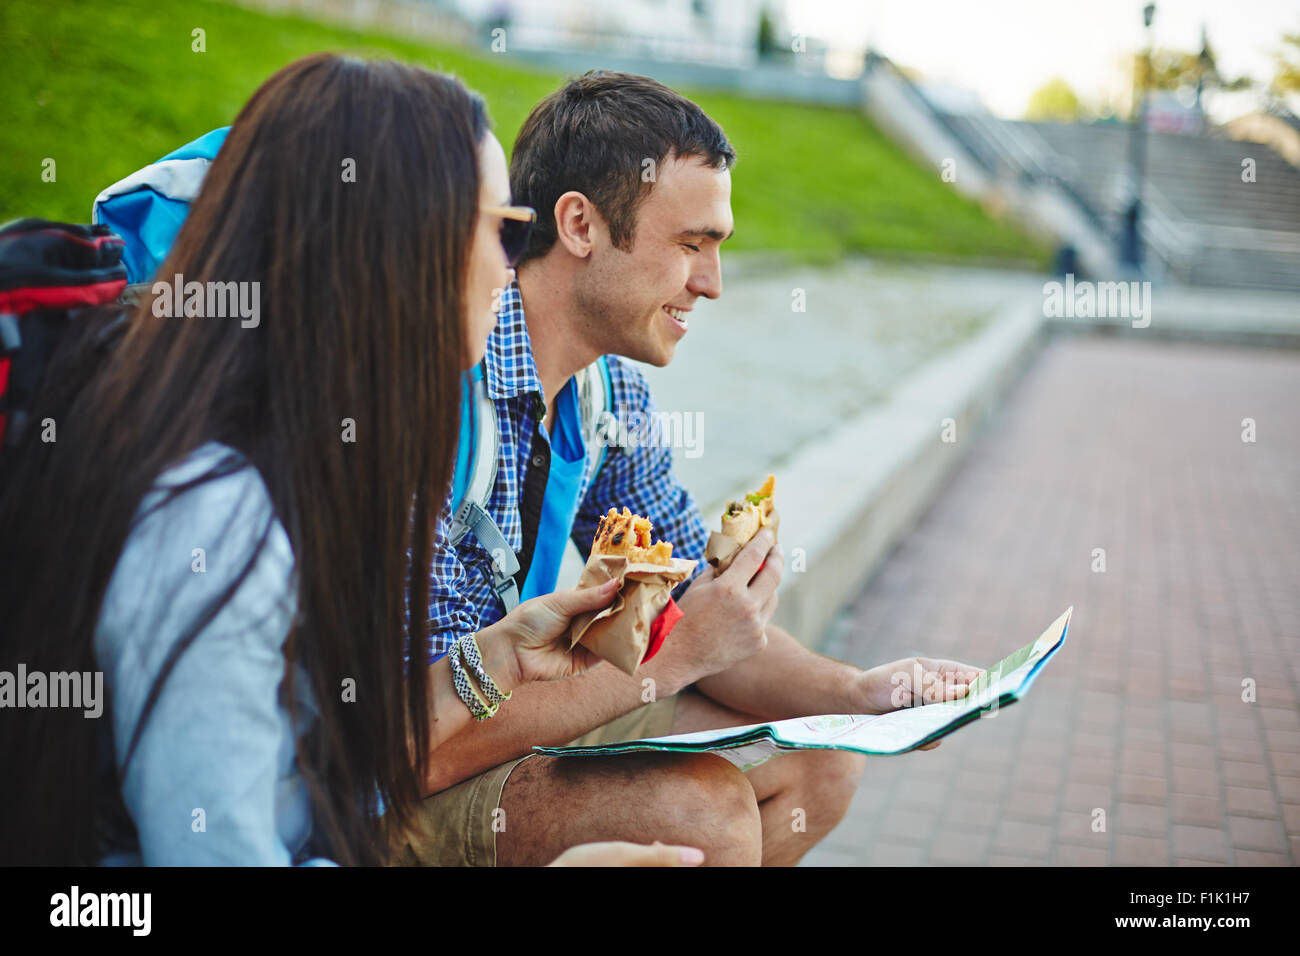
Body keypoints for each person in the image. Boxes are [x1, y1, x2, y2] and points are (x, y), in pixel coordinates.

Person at [0, 54, 700, 868]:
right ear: (394, 247)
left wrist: (499, 655)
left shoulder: (308, 453)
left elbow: (330, 771)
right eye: (502, 229)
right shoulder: (220, 520)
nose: (515, 265)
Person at [404, 71, 985, 867]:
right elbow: (422, 746)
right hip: (397, 774)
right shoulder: (437, 390)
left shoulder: (610, 388)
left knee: (821, 764)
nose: (710, 284)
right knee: (700, 815)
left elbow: (690, 606)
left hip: (508, 708)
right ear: (579, 224)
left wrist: (860, 695)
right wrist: (680, 654)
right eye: (690, 245)